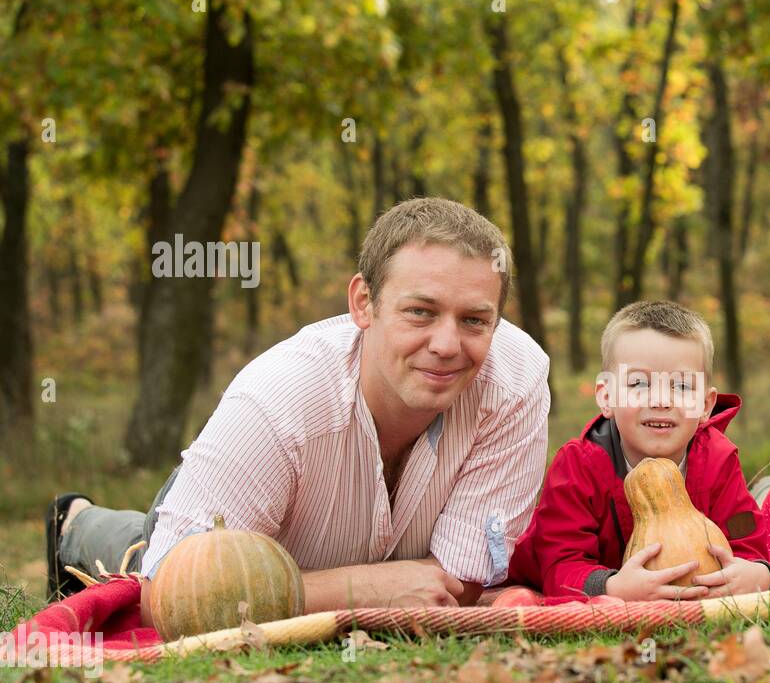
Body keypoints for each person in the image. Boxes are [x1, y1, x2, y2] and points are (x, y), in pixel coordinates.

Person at [47, 197, 550, 618]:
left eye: (475, 320)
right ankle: (76, 524)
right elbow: (172, 595)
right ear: (363, 303)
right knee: (142, 555)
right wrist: (361, 592)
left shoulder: (516, 380)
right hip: (241, 528)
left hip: (308, 564)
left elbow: (460, 582)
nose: (446, 344)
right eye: (420, 311)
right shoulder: (276, 400)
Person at [507, 300, 770, 602]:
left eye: (682, 386)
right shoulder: (577, 466)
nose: (661, 400)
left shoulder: (718, 460)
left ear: (706, 404)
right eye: (639, 383)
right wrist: (611, 587)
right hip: (562, 578)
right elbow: (559, 565)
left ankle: (766, 492)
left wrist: (759, 573)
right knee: (522, 596)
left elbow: (746, 544)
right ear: (606, 396)